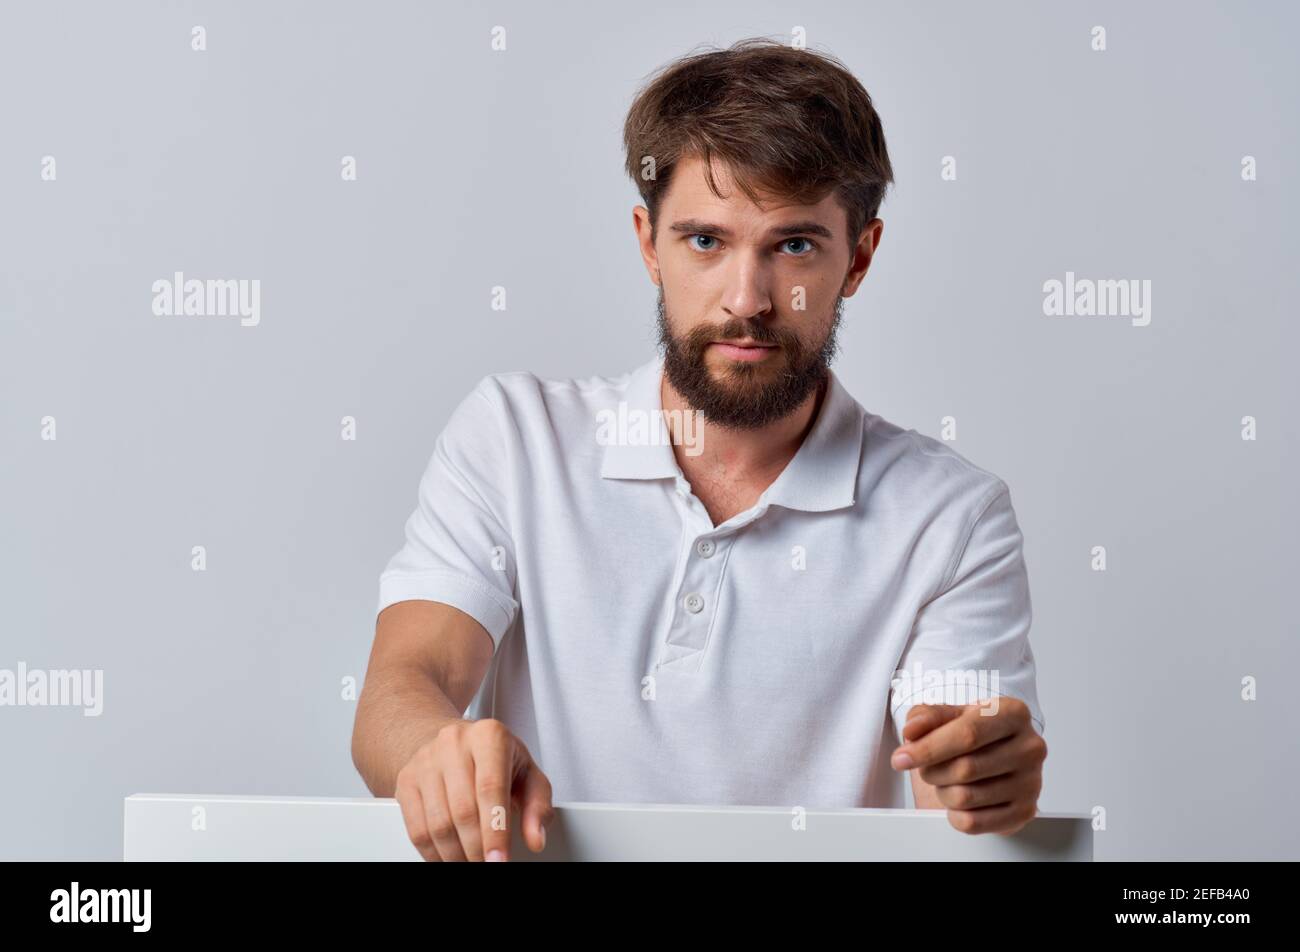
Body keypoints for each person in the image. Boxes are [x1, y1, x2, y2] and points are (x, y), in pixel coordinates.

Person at [351, 37, 1047, 862]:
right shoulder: (514, 438)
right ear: (650, 244)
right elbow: (404, 685)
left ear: (858, 257)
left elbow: (950, 767)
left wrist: (978, 775)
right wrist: (436, 750)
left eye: (794, 245)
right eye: (706, 242)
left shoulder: (951, 519)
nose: (746, 301)